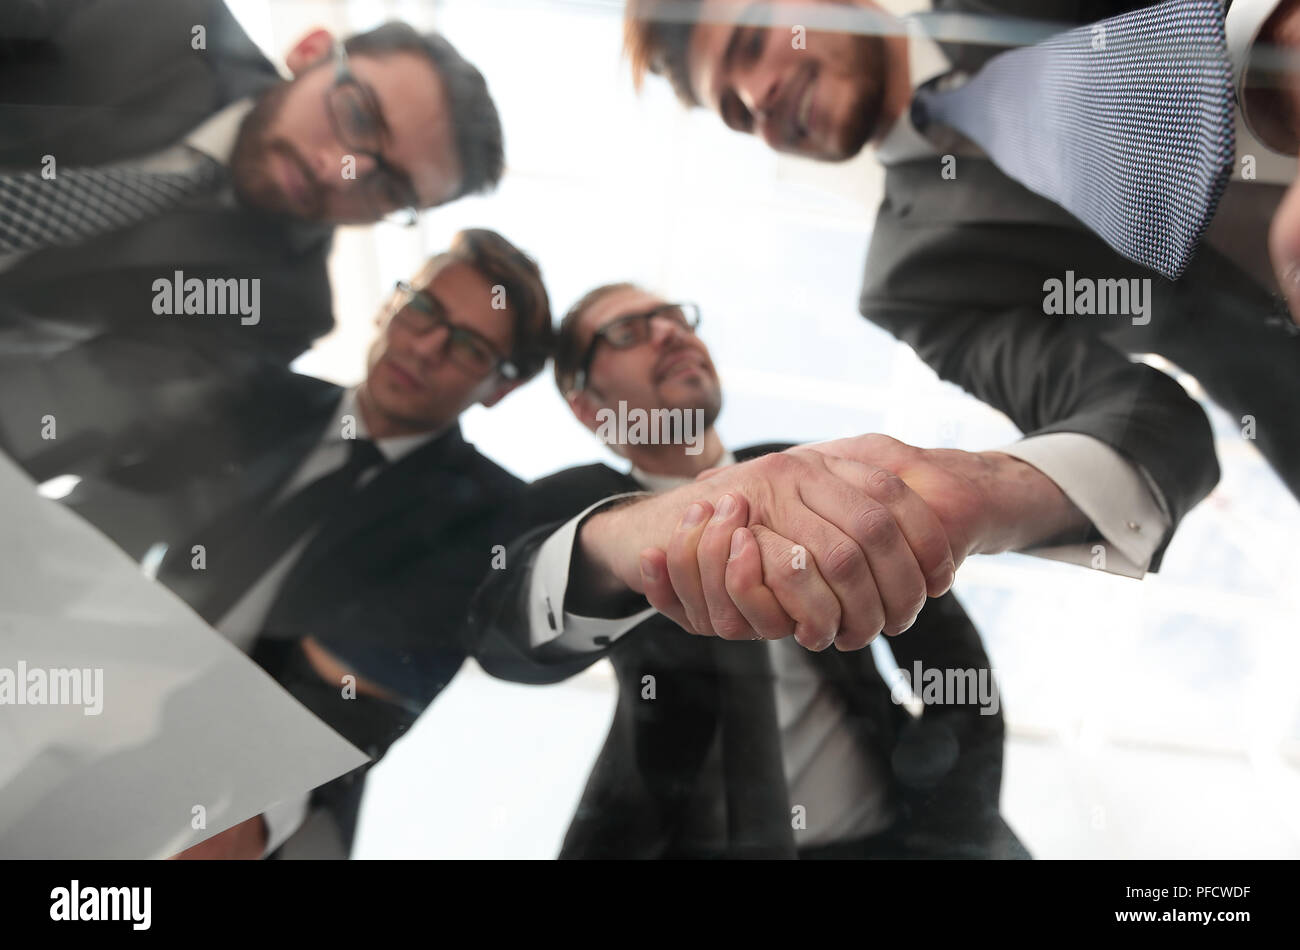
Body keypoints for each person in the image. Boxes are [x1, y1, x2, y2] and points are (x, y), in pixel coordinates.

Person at [465, 280, 1161, 858]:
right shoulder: (576, 503)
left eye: (675, 317)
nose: (669, 332)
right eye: (627, 331)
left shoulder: (807, 467)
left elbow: (953, 665)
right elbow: (506, 630)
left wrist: (955, 831)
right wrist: (626, 540)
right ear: (587, 405)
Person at [620, 0, 1300, 522]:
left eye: (752, 42)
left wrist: (1271, 27)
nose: (756, 101)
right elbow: (1127, 416)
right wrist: (977, 498)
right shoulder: (909, 285)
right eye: (735, 113)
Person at [65, 228, 552, 859]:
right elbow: (104, 513)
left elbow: (358, 694)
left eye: (468, 347)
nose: (428, 347)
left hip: (264, 808)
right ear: (389, 307)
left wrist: (246, 822)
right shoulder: (260, 398)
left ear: (499, 388)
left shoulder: (494, 512)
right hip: (97, 709)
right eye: (425, 309)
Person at [0, 0, 504, 484]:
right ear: (311, 50)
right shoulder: (156, 14)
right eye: (356, 116)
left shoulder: (282, 307)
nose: (339, 172)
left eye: (390, 188)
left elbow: (71, 406)